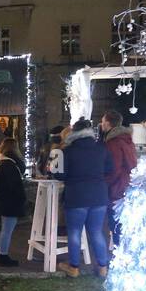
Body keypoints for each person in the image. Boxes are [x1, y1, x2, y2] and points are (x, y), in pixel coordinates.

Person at [53, 118, 112, 278]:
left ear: (74, 133)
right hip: (99, 196)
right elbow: (109, 168)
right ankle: (102, 267)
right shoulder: (101, 149)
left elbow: (59, 175)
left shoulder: (67, 151)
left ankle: (74, 267)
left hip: (77, 196)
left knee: (74, 232)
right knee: (96, 232)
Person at [99, 109, 138, 243]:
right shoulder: (127, 140)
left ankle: (119, 256)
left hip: (116, 188)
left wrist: (104, 183)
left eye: (103, 122)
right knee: (123, 224)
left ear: (108, 123)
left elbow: (113, 168)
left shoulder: (113, 143)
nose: (101, 124)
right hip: (126, 185)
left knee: (116, 225)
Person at [0, 138, 27, 267]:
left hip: (5, 201)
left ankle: (4, 254)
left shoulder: (2, 163)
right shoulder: (9, 165)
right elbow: (13, 186)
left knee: (6, 229)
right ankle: (3, 256)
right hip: (10, 202)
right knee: (7, 230)